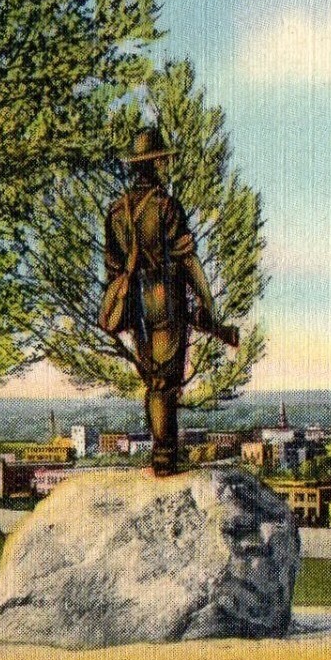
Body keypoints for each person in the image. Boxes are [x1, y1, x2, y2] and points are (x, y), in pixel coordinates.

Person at [101, 126, 239, 476]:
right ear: (156, 162)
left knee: (153, 380)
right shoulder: (166, 206)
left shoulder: (115, 212)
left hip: (133, 302)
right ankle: (164, 456)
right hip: (164, 296)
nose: (165, 165)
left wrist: (122, 303)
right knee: (165, 382)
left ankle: (161, 453)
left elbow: (112, 268)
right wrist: (208, 304)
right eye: (162, 160)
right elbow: (188, 259)